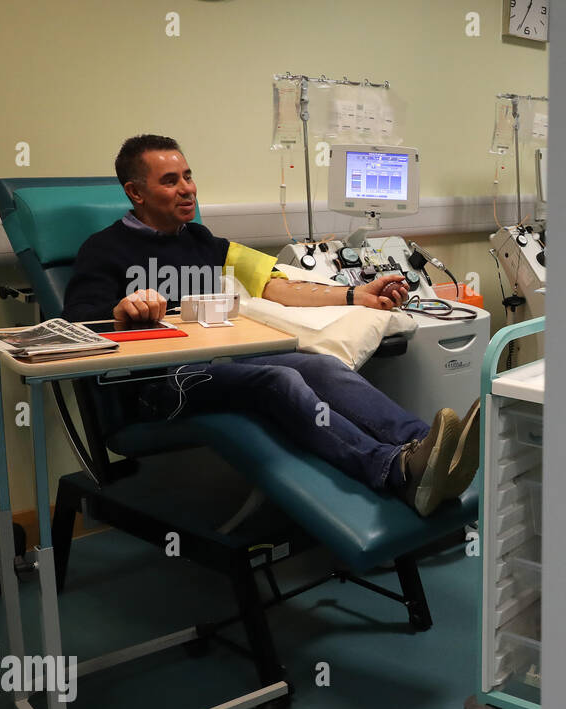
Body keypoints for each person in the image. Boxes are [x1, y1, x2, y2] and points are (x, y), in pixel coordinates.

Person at [63, 135, 479, 516]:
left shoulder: (201, 241)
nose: (187, 188)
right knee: (277, 380)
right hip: (156, 386)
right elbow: (77, 324)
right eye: (170, 181)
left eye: (188, 176)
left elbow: (275, 286)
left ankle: (431, 448)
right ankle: (395, 471)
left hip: (217, 364)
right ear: (135, 192)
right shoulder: (104, 250)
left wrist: (356, 295)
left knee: (319, 365)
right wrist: (123, 309)